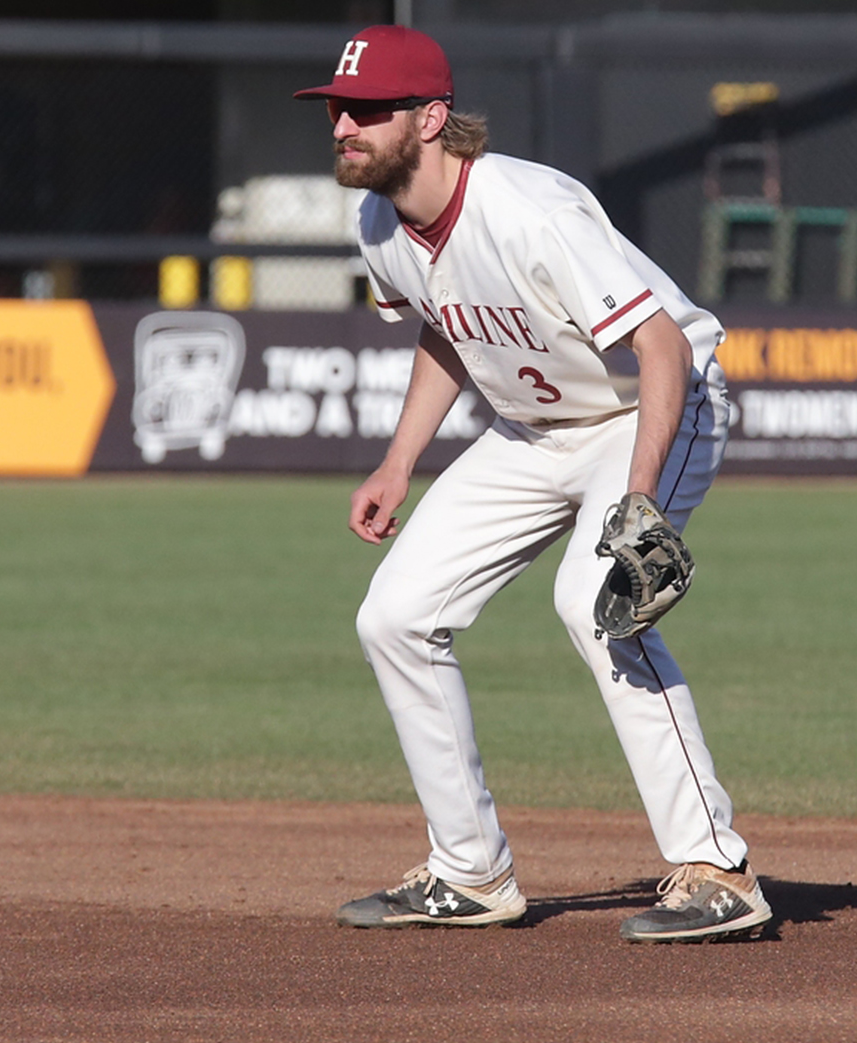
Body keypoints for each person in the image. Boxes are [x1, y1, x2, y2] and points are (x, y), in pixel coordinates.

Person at [298, 25, 771, 943]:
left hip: (654, 408)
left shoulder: (528, 209)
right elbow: (444, 326)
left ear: (431, 119)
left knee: (598, 599)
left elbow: (662, 344)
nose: (343, 125)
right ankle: (470, 873)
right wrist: (400, 461)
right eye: (336, 110)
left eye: (366, 110)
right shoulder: (377, 222)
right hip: (535, 431)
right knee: (393, 616)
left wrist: (638, 502)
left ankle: (717, 868)